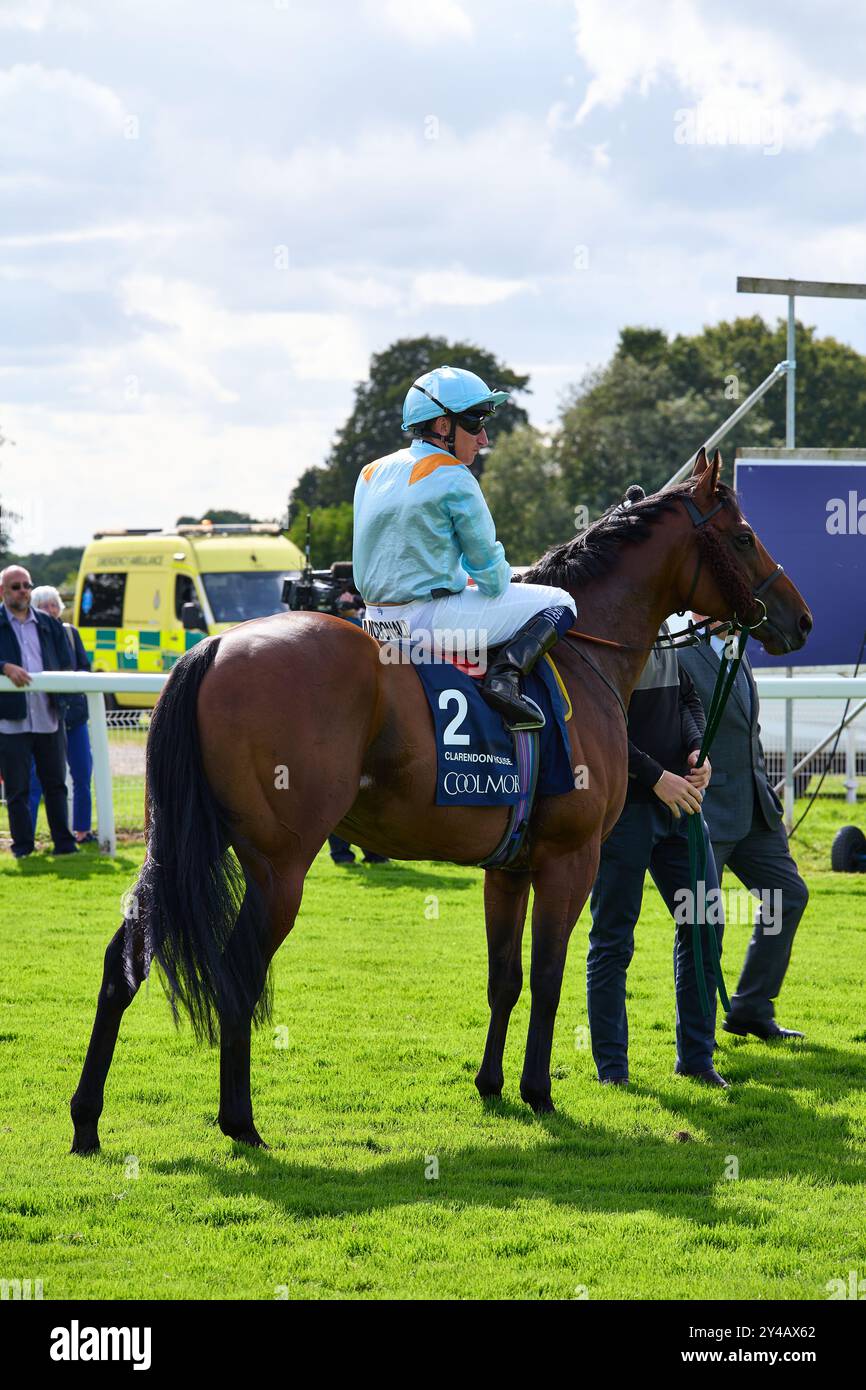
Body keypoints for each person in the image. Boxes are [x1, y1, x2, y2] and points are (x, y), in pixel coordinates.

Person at [353, 366, 577, 730]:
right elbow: (491, 578)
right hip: (429, 623)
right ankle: (506, 682)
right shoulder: (455, 476)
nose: (484, 438)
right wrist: (507, 577)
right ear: (443, 426)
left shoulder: (370, 472)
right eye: (475, 423)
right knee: (561, 602)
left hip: (374, 624)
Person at [586, 623, 728, 1087]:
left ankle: (697, 1060)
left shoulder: (663, 632)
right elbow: (597, 728)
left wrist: (696, 750)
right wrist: (654, 777)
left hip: (681, 809)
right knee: (614, 940)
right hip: (623, 815)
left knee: (704, 926)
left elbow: (689, 701)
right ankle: (613, 1073)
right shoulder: (605, 636)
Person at [678, 619, 808, 1041]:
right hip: (707, 813)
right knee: (702, 923)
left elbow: (746, 733)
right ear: (698, 612)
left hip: (756, 812)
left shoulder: (738, 647)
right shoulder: (679, 655)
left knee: (788, 896)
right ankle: (698, 1041)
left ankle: (751, 1009)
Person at [0, 565, 77, 857]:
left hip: (48, 716)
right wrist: (4, 667)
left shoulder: (49, 623)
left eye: (26, 585)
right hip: (11, 721)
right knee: (17, 791)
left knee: (56, 785)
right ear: (3, 591)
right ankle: (22, 848)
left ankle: (65, 846)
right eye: (16, 586)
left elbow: (65, 662)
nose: (22, 591)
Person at [29, 585, 96, 845]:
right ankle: (29, 835)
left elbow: (83, 669)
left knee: (82, 774)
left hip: (74, 717)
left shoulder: (70, 634)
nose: (50, 609)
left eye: (53, 604)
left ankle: (82, 830)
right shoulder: (29, 637)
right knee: (35, 779)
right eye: (44, 605)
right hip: (42, 717)